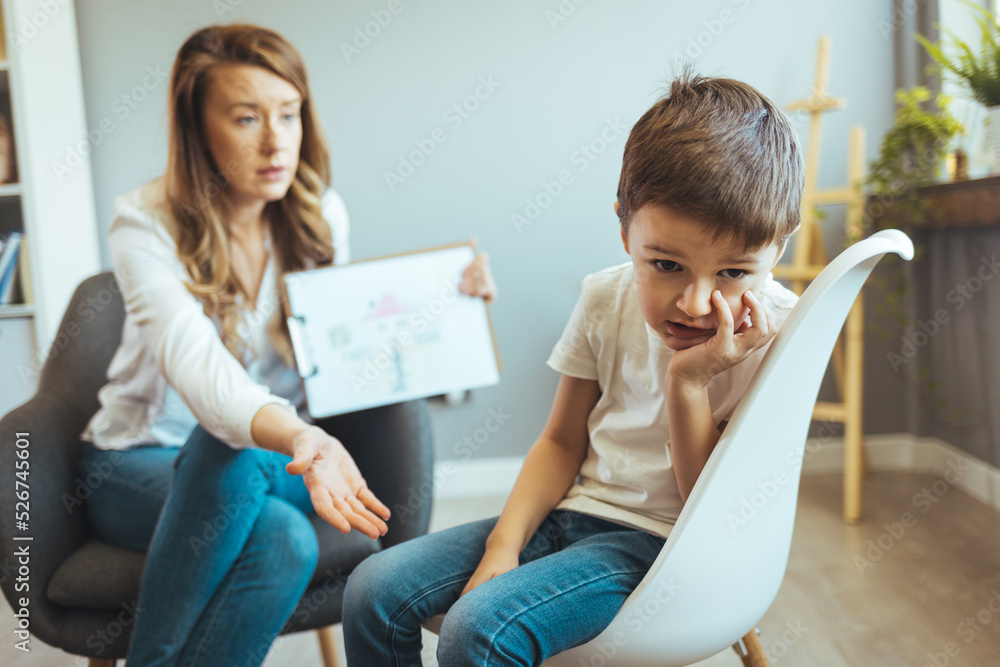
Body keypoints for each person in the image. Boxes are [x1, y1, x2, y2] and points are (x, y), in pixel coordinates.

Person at [342, 69, 804, 666]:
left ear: (779, 247)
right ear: (623, 226)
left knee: (479, 632)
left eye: (734, 273)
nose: (694, 303)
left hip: (664, 546)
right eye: (665, 264)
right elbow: (561, 441)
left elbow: (708, 513)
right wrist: (503, 548)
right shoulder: (602, 298)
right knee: (372, 589)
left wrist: (687, 380)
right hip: (572, 514)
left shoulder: (779, 333)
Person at [77, 23, 496, 666]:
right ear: (197, 128)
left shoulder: (319, 213)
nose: (277, 142)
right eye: (247, 118)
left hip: (278, 464)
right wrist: (304, 436)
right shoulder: (144, 223)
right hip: (136, 463)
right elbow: (203, 374)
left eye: (289, 114)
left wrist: (448, 310)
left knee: (248, 466)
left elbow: (352, 356)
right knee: (280, 532)